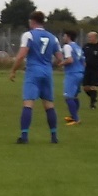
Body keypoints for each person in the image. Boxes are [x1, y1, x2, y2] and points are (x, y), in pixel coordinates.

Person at [8, 11, 60, 144]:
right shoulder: (53, 38)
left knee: (28, 104)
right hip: (47, 72)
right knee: (49, 105)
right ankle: (54, 136)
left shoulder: (29, 35)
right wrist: (48, 65)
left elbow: (21, 55)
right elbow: (60, 58)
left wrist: (13, 70)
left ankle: (24, 136)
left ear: (32, 21)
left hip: (33, 72)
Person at [59, 30, 84, 126]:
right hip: (80, 73)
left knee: (68, 97)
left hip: (72, 74)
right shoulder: (77, 47)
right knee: (75, 96)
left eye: (64, 36)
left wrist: (62, 63)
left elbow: (69, 60)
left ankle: (76, 119)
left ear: (68, 36)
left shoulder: (67, 46)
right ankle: (73, 116)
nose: (63, 38)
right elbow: (83, 62)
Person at [81, 31, 98, 109]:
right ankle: (94, 97)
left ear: (95, 37)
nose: (88, 38)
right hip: (87, 69)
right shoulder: (86, 46)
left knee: (93, 86)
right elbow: (82, 57)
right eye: (88, 37)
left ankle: (92, 104)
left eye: (90, 37)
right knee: (86, 88)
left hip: (96, 70)